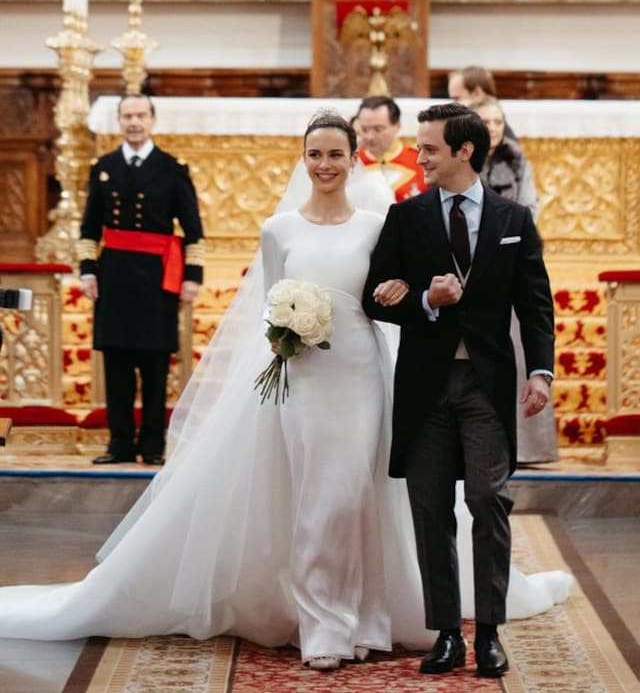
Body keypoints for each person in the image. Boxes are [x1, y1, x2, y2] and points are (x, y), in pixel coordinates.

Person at [0, 111, 570, 662]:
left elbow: (388, 293)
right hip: (304, 378)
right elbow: (271, 303)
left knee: (356, 496)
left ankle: (366, 616)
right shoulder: (279, 230)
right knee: (314, 500)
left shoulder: (379, 226)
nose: (325, 164)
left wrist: (416, 297)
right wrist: (285, 333)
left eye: (336, 154)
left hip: (361, 376)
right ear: (303, 158)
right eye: (315, 154)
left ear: (354, 159)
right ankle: (321, 622)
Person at [363, 102, 557, 677]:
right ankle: (446, 633)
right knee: (429, 508)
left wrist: (540, 371)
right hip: (425, 386)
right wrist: (425, 299)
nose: (418, 156)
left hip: (486, 385)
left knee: (487, 501)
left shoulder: (514, 219)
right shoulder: (406, 216)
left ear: (464, 151)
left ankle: (489, 633)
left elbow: (536, 305)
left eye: (428, 148)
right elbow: (375, 294)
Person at [79, 94, 205, 465]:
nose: (134, 122)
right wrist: (87, 270)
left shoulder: (172, 168)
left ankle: (152, 445)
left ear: (152, 120)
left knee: (154, 365)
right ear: (119, 121)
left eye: (140, 115)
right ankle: (119, 444)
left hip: (157, 279)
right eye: (127, 116)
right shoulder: (103, 167)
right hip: (114, 276)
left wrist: (192, 277)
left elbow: (194, 230)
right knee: (116, 362)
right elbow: (89, 228)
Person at [469, 97, 558, 463]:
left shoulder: (516, 159)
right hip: (471, 267)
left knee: (520, 355)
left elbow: (527, 209)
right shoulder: (462, 159)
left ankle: (528, 446)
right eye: (485, 122)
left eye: (497, 121)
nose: (492, 128)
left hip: (508, 263)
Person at [357, 95, 427, 201]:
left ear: (397, 125)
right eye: (364, 129)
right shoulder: (353, 162)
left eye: (378, 129)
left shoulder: (419, 160)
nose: (370, 137)